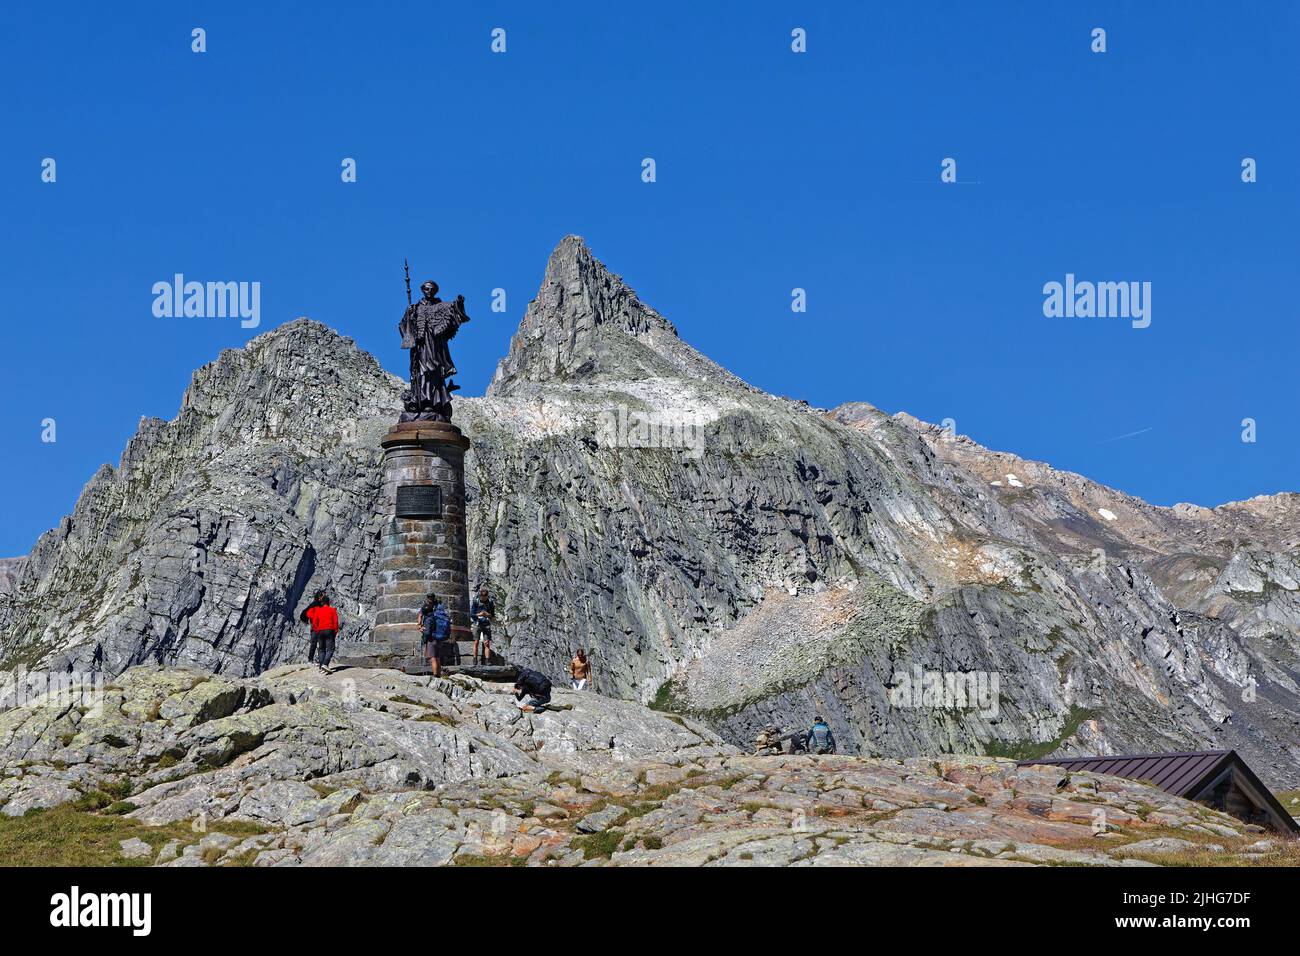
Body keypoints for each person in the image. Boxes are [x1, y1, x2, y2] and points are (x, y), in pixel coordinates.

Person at [299, 590, 340, 673]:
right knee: (324, 647)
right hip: (323, 629)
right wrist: (335, 632)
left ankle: (321, 666)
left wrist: (317, 627)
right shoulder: (324, 608)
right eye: (321, 595)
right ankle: (319, 662)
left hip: (319, 629)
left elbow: (312, 618)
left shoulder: (318, 608)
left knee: (321, 648)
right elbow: (335, 623)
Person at [418, 594, 451, 678]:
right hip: (440, 636)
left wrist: (424, 637)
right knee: (437, 657)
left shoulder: (429, 618)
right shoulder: (440, 608)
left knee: (432, 657)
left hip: (432, 638)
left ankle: (435, 675)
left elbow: (427, 632)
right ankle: (439, 674)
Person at [470, 585, 496, 666]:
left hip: (486, 624)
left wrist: (487, 614)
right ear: (480, 595)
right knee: (476, 642)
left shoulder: (490, 602)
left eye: (485, 596)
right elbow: (472, 614)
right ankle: (475, 659)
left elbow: (493, 615)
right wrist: (480, 614)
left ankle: (487, 660)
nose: (484, 598)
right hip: (477, 623)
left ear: (487, 596)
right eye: (482, 596)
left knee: (487, 642)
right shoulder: (476, 601)